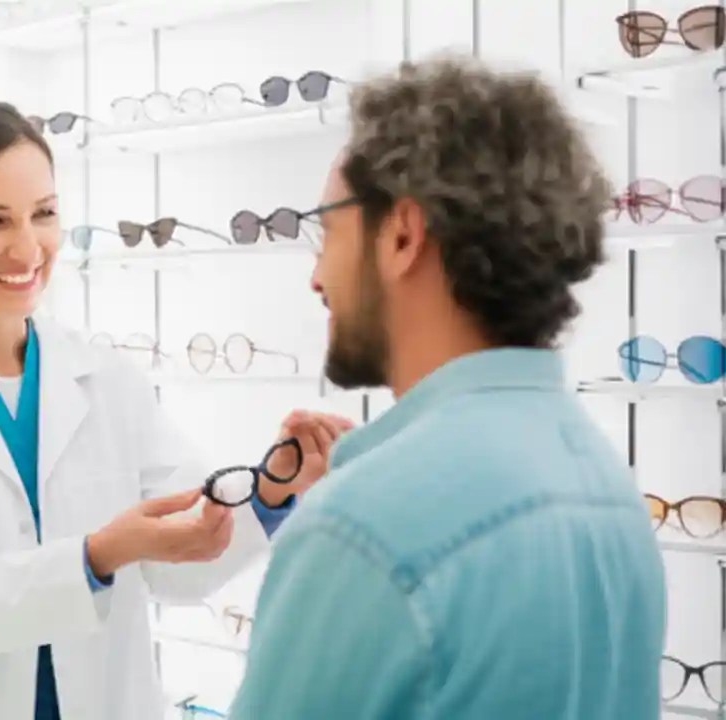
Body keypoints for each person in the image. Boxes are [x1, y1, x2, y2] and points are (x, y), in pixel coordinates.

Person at [0, 100, 353, 720]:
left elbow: (180, 567)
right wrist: (98, 555)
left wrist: (271, 489)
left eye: (44, 215)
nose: (28, 249)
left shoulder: (103, 378)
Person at [230, 54, 667, 719]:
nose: (316, 277)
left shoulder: (359, 531)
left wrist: (346, 531)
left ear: (403, 234)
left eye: (328, 234)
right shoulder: (610, 492)